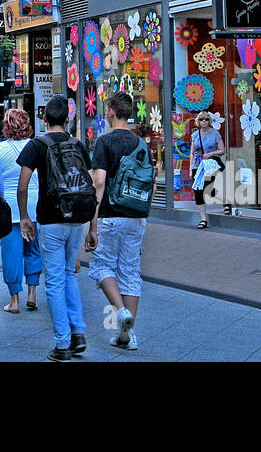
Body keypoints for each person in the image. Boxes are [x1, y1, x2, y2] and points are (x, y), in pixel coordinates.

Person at [17, 94, 95, 362]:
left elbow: (23, 185)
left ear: (45, 117)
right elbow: (92, 183)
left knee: (54, 281)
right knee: (69, 274)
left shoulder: (37, 144)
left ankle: (62, 343)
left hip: (51, 218)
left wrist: (25, 215)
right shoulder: (78, 144)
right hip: (78, 218)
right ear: (68, 118)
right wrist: (92, 225)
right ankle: (78, 332)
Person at [89, 91, 151, 352]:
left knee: (101, 266)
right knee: (130, 272)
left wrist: (92, 224)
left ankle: (121, 311)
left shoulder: (104, 142)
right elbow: (152, 185)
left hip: (110, 216)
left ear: (111, 112)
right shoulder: (142, 144)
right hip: (137, 217)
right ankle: (130, 334)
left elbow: (99, 182)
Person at [0, 108, 41, 314]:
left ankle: (14, 300)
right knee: (33, 250)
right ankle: (32, 293)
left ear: (6, 126)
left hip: (10, 208)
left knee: (11, 252)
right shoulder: (37, 146)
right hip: (34, 205)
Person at [189, 110, 225, 228]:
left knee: (208, 189)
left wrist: (210, 154)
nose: (203, 121)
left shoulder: (215, 133)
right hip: (197, 166)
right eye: (201, 119)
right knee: (198, 192)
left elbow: (222, 150)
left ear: (209, 121)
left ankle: (225, 201)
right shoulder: (195, 135)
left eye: (206, 119)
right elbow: (192, 153)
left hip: (210, 165)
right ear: (198, 122)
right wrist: (190, 168)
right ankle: (203, 219)